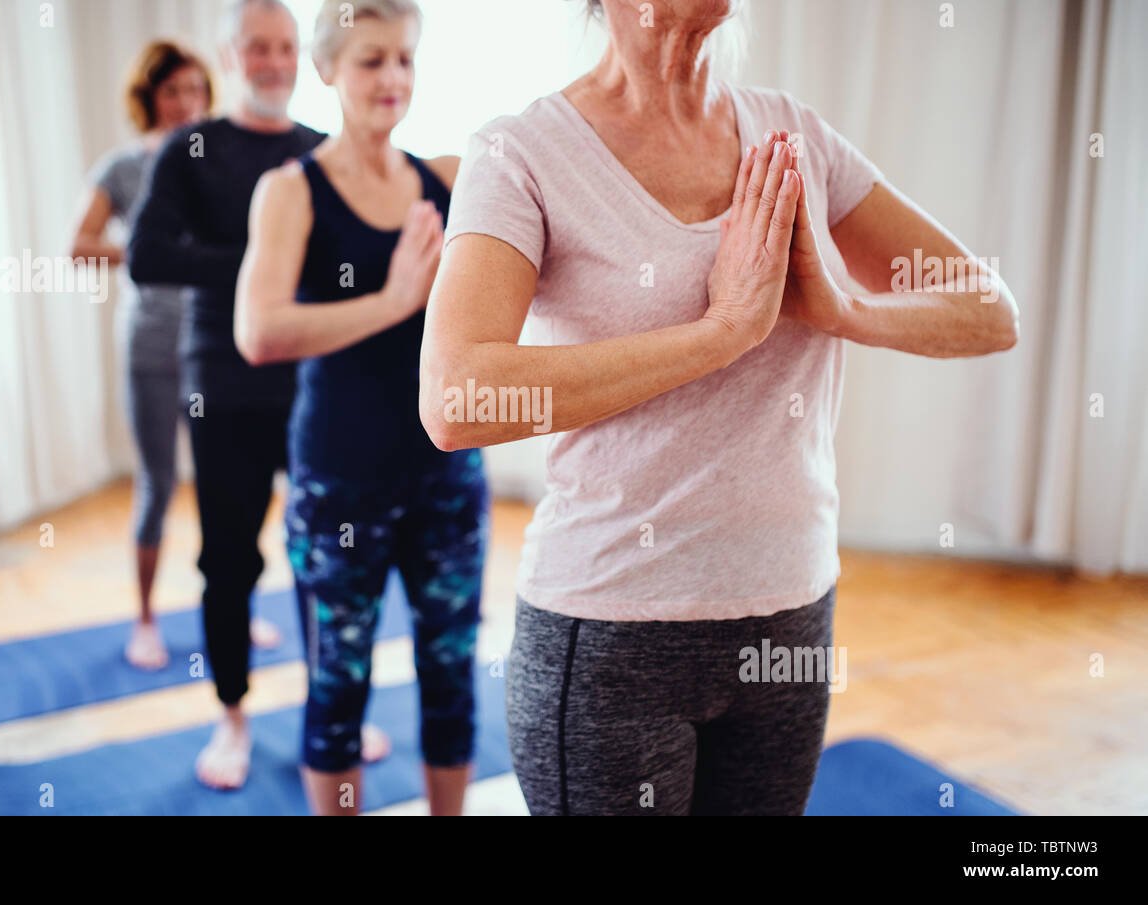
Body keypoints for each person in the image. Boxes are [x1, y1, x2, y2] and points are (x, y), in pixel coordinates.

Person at [420, 0, 1020, 815]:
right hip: (610, 637)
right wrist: (722, 332)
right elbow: (458, 399)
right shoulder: (523, 152)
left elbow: (988, 308)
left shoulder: (789, 136)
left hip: (789, 621)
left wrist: (843, 309)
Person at [127, 0, 388, 791]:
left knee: (330, 560)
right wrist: (260, 266)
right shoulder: (189, 148)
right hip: (225, 387)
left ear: (302, 57)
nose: (272, 60)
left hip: (318, 387)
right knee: (230, 557)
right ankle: (232, 714)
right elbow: (145, 254)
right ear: (231, 55)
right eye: (257, 48)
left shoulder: (321, 152)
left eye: (285, 47)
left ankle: (331, 707)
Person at [235, 0, 487, 816]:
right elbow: (258, 331)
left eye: (405, 59)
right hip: (339, 484)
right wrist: (391, 300)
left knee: (450, 675)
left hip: (448, 479)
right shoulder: (291, 190)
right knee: (338, 688)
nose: (393, 78)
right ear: (328, 70)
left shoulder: (446, 177)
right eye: (372, 60)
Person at [70, 41, 211, 671]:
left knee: (223, 488)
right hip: (151, 346)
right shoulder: (123, 166)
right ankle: (147, 618)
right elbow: (80, 244)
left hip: (214, 347)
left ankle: (223, 608)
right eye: (174, 90)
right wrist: (150, 253)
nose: (186, 103)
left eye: (197, 90)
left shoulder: (217, 161)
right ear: (151, 96)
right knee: (156, 485)